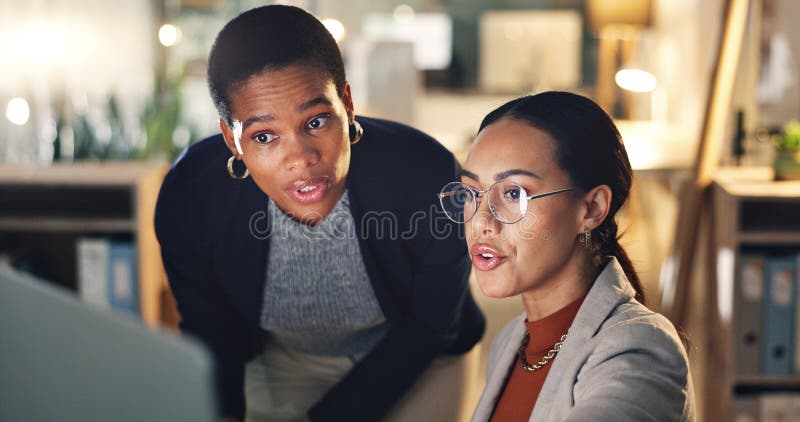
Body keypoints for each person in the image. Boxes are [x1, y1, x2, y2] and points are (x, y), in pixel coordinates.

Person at [154, 5, 484, 422]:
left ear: (346, 103)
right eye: (265, 136)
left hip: (420, 356)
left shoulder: (428, 176)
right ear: (232, 140)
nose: (301, 159)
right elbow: (210, 328)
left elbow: (431, 324)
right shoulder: (191, 196)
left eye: (316, 122)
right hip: (283, 359)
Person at [437, 91, 695, 421]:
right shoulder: (511, 343)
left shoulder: (640, 349)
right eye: (472, 193)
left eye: (514, 193)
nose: (482, 221)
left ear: (592, 208)